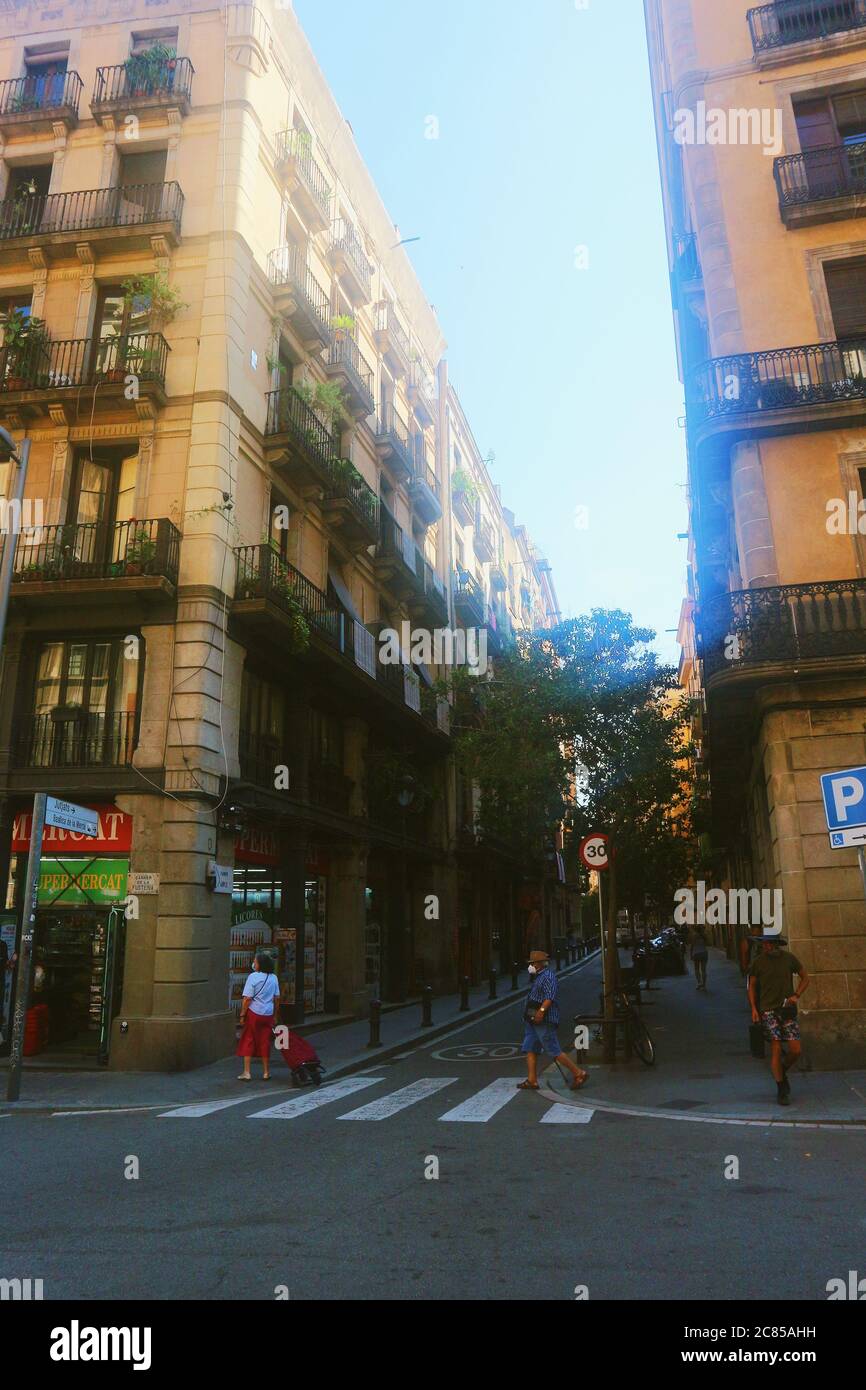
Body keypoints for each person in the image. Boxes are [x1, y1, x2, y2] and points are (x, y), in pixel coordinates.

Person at [748, 935, 811, 1107]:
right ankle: (781, 1088)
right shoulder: (758, 962)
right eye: (764, 943)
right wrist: (754, 1008)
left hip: (787, 1010)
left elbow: (805, 977)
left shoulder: (789, 959)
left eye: (769, 943)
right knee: (775, 1047)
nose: (766, 946)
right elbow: (752, 986)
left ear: (776, 945)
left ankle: (781, 1070)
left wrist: (796, 995)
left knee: (795, 1050)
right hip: (767, 1010)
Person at [517, 949, 588, 1092]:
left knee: (553, 1049)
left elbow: (549, 996)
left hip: (544, 1020)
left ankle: (579, 1073)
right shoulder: (539, 976)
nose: (531, 966)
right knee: (530, 1047)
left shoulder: (548, 976)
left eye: (533, 963)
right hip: (532, 1020)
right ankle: (532, 1080)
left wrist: (541, 1012)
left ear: (538, 964)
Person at [236, 951, 280, 1082]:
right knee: (265, 1041)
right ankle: (266, 1072)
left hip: (254, 1013)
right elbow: (277, 998)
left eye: (255, 962)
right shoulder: (274, 978)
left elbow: (247, 999)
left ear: (260, 964)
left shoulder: (253, 977)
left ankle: (247, 1072)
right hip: (268, 1013)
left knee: (248, 1039)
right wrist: (275, 1015)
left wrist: (242, 1015)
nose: (254, 964)